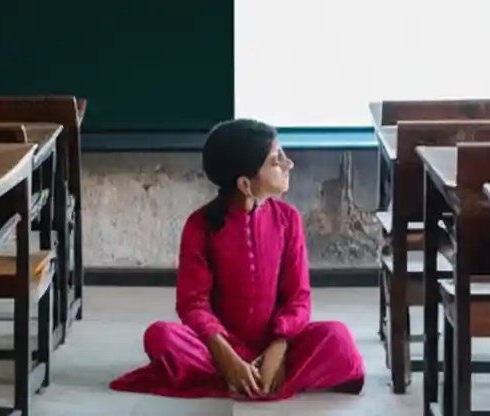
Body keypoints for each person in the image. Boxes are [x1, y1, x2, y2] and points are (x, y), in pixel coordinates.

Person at [109, 118, 365, 401]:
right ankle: (240, 376)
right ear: (245, 184)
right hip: (218, 347)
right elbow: (193, 304)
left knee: (338, 338)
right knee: (160, 336)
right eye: (275, 161)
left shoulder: (288, 219)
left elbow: (298, 298)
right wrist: (227, 358)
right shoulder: (200, 226)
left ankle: (246, 378)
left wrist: (278, 348)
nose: (288, 164)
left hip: (277, 342)